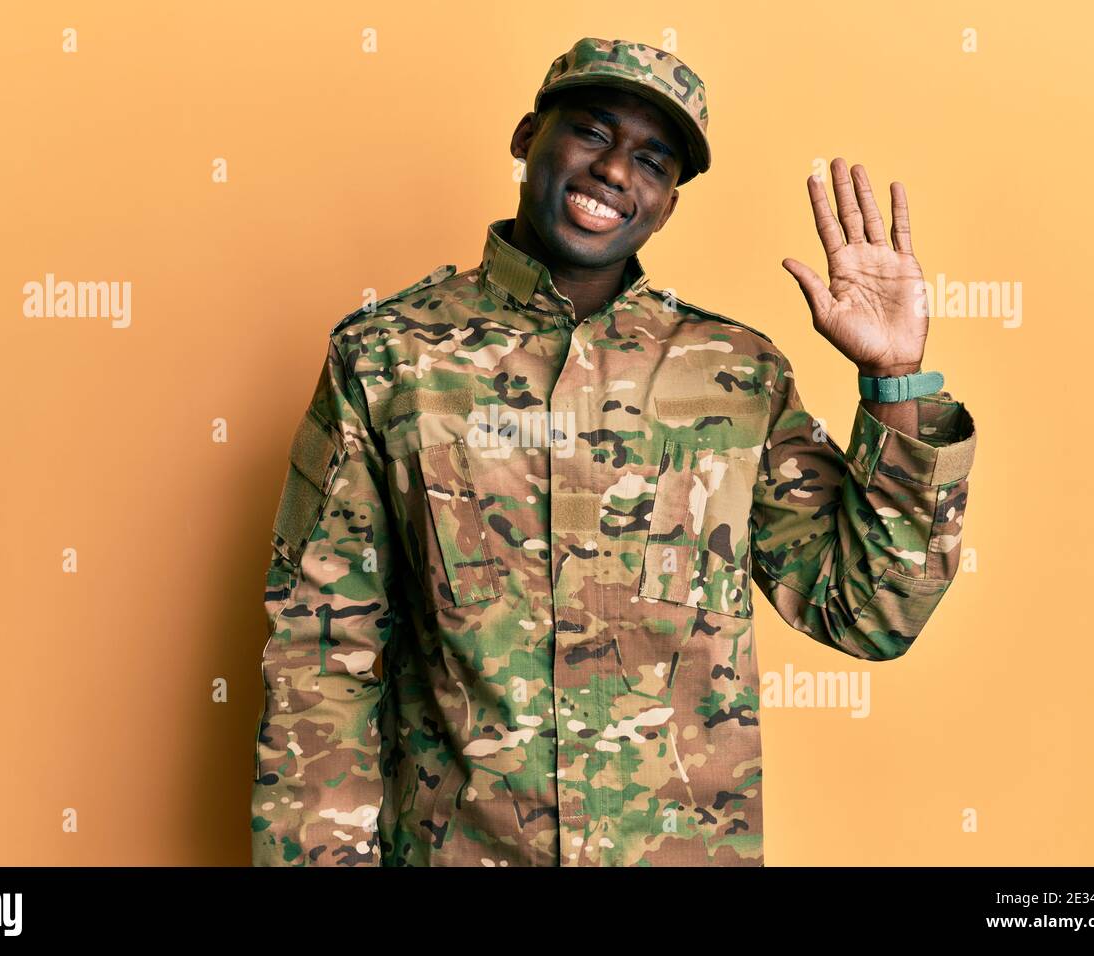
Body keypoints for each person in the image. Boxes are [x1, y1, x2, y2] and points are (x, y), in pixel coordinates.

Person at [251, 36, 976, 867]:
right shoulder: (388, 360)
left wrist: (895, 378)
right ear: (528, 136)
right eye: (592, 133)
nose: (616, 171)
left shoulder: (736, 376)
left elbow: (870, 614)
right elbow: (320, 659)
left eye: (653, 160)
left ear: (667, 203)